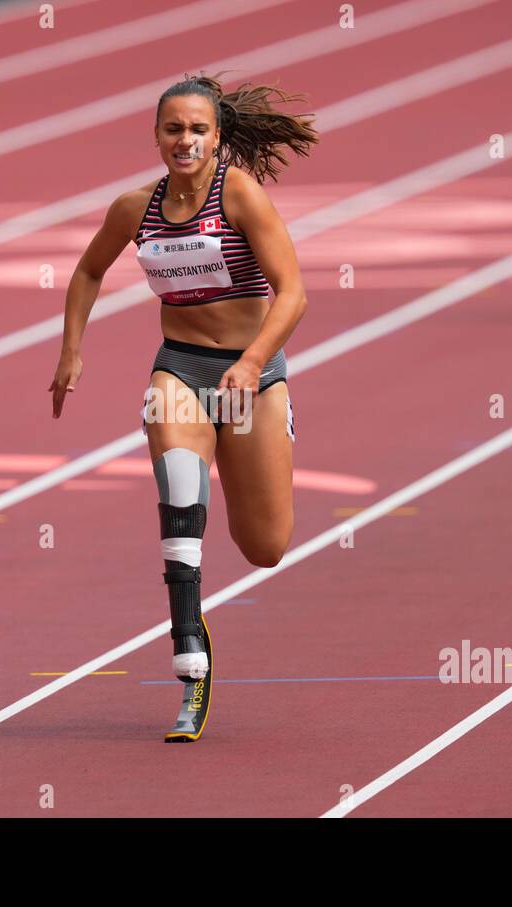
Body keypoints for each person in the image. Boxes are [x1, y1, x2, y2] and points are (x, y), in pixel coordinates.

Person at [49, 71, 318, 741]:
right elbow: (87, 271)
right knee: (178, 485)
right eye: (174, 129)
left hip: (251, 378)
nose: (186, 140)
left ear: (218, 136)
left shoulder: (241, 198)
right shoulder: (134, 209)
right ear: (157, 136)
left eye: (198, 129)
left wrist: (254, 365)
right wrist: (71, 351)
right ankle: (189, 656)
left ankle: (267, 433)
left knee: (265, 546)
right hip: (180, 369)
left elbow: (294, 294)